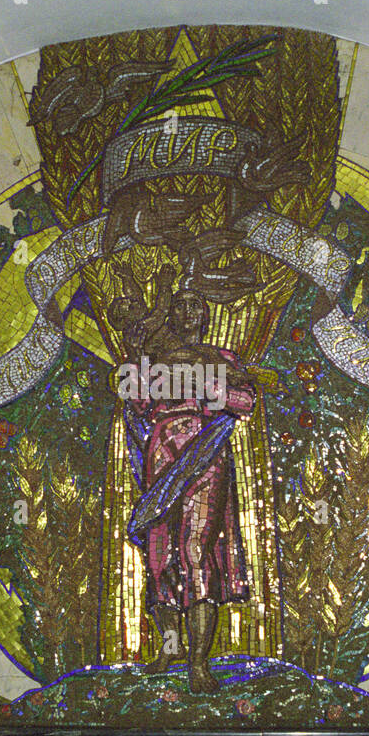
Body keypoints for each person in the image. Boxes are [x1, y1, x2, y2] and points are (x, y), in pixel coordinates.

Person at [119, 288, 255, 693]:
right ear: (170, 314)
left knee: (197, 550)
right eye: (178, 303)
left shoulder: (222, 358)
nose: (188, 310)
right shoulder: (155, 360)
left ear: (206, 314)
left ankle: (198, 663)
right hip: (161, 453)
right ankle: (169, 647)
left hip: (205, 452)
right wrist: (137, 357)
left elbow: (245, 401)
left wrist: (203, 385)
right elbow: (136, 399)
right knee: (160, 556)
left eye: (196, 303)